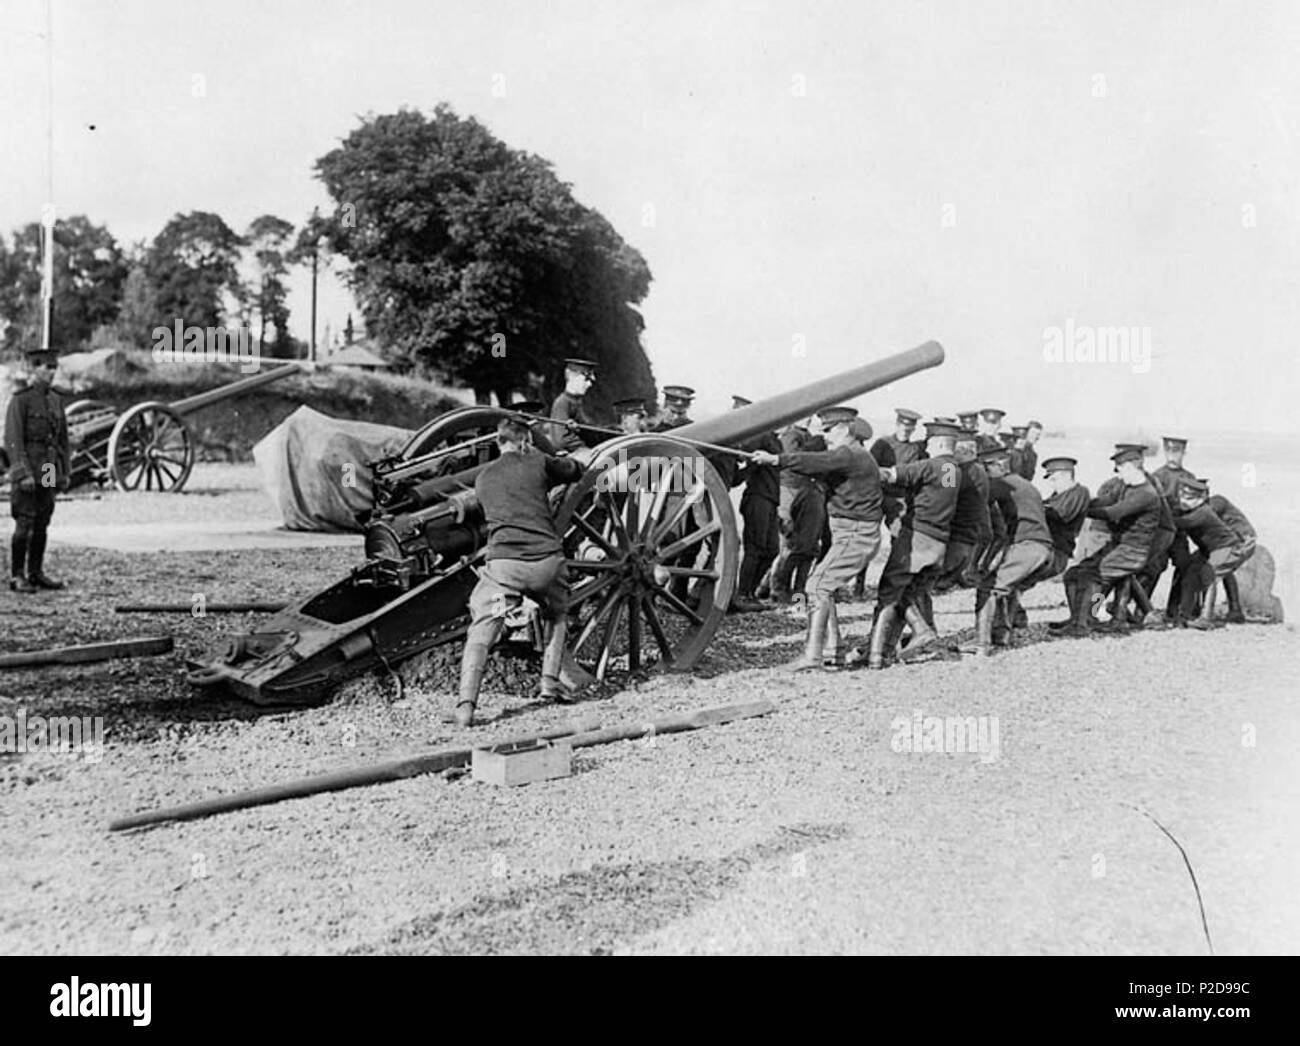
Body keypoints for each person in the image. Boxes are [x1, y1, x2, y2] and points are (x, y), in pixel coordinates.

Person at [453, 418, 585, 727]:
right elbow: (573, 471)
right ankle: (549, 686)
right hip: (546, 569)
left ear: (500, 443)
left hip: (505, 572)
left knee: (486, 624)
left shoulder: (484, 478)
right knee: (557, 615)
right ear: (525, 442)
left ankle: (466, 706)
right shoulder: (538, 460)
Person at [750, 406, 882, 671]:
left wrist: (776, 460)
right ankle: (832, 650)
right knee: (820, 585)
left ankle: (813, 657)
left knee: (816, 587)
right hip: (851, 533)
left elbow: (817, 461)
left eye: (829, 431)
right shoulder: (853, 456)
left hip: (855, 535)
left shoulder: (849, 454)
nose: (826, 437)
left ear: (845, 429)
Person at [861, 418, 962, 667]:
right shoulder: (953, 471)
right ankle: (886, 652)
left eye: (929, 442)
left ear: (938, 443)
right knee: (907, 593)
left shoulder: (930, 466)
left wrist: (857, 469)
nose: (926, 447)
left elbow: (890, 475)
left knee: (889, 591)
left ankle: (880, 653)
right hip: (939, 540)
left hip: (917, 538)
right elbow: (940, 493)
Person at [1055, 446, 1161, 638]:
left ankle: (1081, 624)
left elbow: (1113, 513)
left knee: (1091, 577)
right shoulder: (1126, 487)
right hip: (1120, 547)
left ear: (1130, 466)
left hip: (1132, 551)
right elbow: (1105, 501)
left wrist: (1079, 511)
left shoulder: (1146, 494)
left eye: (1120, 469)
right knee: (1072, 574)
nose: (1118, 475)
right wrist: (1079, 500)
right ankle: (1083, 617)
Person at [965, 447, 1055, 654]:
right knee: (1008, 586)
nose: (985, 474)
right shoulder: (1027, 485)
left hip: (1028, 547)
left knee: (988, 587)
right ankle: (1002, 633)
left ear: (999, 466)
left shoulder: (999, 485)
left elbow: (974, 502)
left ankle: (981, 643)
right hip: (1045, 549)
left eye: (987, 468)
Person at [5, 348, 70, 593]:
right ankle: (17, 575)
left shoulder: (55, 400)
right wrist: (22, 473)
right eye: (46, 367)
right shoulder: (20, 400)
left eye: (54, 367)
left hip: (48, 468)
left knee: (43, 520)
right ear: (34, 369)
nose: (51, 372)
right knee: (24, 522)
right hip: (29, 468)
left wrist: (63, 473)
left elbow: (62, 440)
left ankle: (36, 572)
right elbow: (12, 439)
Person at [1170, 477, 1254, 630]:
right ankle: (1185, 616)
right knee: (1191, 573)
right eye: (1182, 496)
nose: (1184, 501)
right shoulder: (1193, 510)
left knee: (1210, 573)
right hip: (1211, 548)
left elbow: (1182, 523)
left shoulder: (1203, 512)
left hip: (1228, 546)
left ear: (1202, 498)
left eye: (1189, 498)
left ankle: (1206, 618)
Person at [768, 417, 828, 613]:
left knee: (797, 564)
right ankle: (781, 592)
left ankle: (786, 594)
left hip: (806, 542)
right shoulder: (813, 491)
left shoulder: (812, 490)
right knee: (796, 564)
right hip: (806, 542)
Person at [730, 396, 782, 612]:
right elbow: (744, 450)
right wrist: (750, 468)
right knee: (755, 548)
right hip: (758, 498)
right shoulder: (761, 435)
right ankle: (743, 594)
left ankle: (749, 593)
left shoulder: (774, 438)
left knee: (771, 549)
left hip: (769, 499)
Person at [1206, 486, 1256, 623]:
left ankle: (1205, 616)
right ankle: (1235, 610)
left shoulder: (1216, 502)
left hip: (1242, 541)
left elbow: (1206, 519)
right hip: (1230, 541)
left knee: (1213, 570)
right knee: (1223, 570)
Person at [548, 358, 598, 452]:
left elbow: (589, 431)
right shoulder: (562, 403)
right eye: (586, 379)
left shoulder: (578, 402)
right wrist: (584, 449)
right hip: (570, 457)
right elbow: (561, 440)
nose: (589, 384)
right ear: (571, 376)